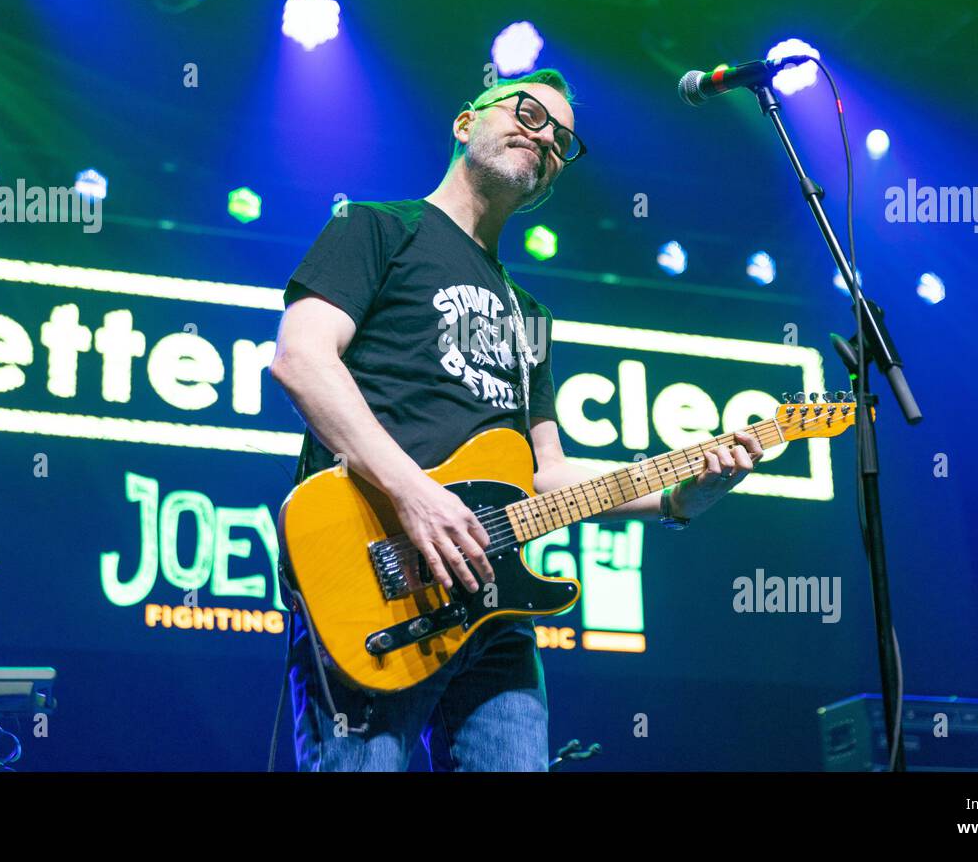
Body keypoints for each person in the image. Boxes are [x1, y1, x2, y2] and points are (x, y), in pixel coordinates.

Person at [269, 67, 764, 771]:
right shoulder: (377, 227)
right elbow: (301, 358)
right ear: (465, 122)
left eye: (562, 139)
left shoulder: (530, 313)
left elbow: (549, 472)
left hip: (491, 604)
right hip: (376, 572)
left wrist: (683, 494)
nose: (544, 136)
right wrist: (414, 493)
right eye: (528, 113)